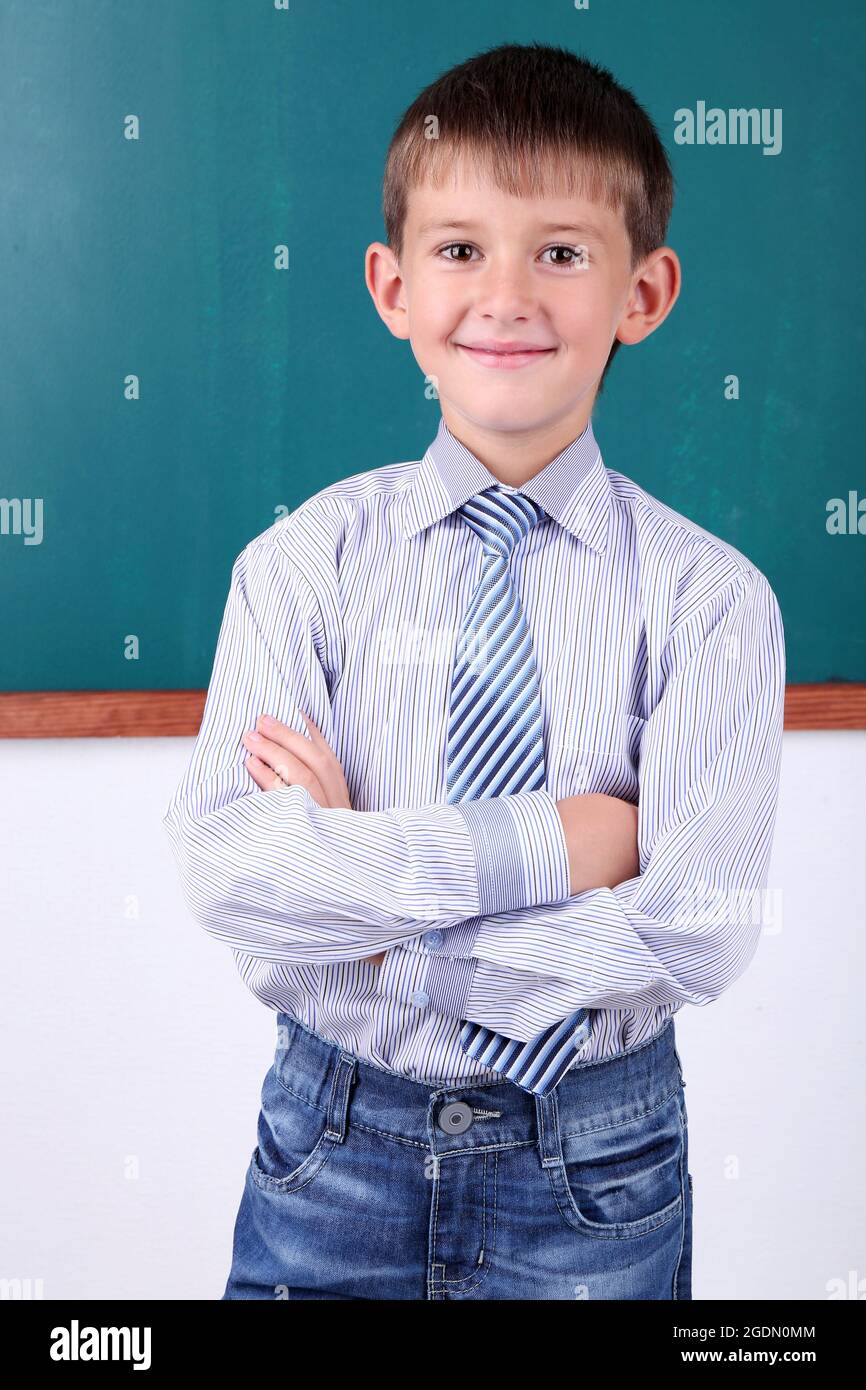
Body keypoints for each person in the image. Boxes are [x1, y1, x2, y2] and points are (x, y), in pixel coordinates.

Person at [163, 42, 785, 1300]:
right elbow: (231, 869)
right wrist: (555, 844)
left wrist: (380, 910)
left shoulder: (711, 600)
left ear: (642, 293)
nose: (504, 295)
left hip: (591, 1162)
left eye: (559, 252)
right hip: (329, 1148)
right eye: (458, 250)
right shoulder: (300, 568)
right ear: (391, 286)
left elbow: (695, 925)